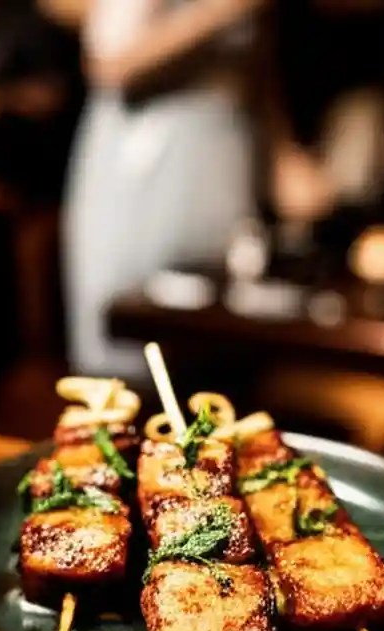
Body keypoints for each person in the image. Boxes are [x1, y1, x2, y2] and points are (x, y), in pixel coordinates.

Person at [57, 0, 264, 379]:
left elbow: (255, 71)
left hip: (223, 158)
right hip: (152, 169)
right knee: (137, 355)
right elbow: (111, 61)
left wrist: (284, 158)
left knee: (220, 349)